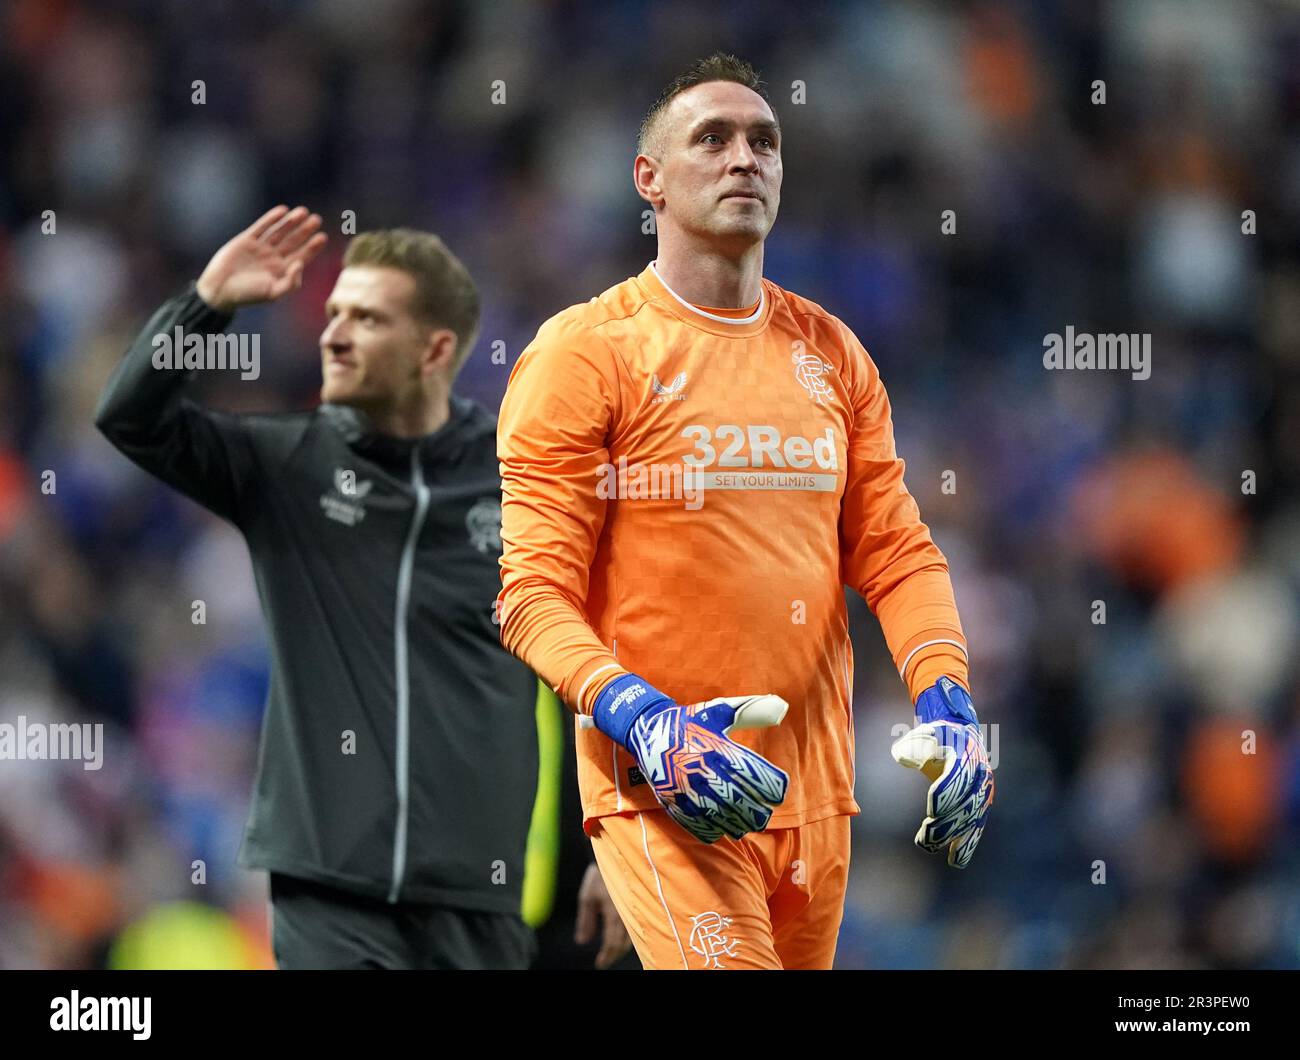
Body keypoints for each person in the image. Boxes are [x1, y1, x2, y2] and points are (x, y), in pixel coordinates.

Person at [495, 54, 994, 970]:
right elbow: (530, 598)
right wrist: (645, 719)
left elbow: (897, 554)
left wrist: (950, 697)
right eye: (712, 139)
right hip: (665, 789)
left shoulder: (832, 353)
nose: (744, 160)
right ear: (649, 178)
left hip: (815, 796)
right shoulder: (585, 355)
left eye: (764, 141)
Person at [96, 208, 629, 969]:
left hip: (479, 897)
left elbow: (602, 659)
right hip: (328, 887)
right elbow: (130, 417)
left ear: (434, 350)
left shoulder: (525, 478)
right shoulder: (287, 467)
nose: (333, 334)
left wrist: (622, 838)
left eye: (367, 318)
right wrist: (208, 302)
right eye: (335, 312)